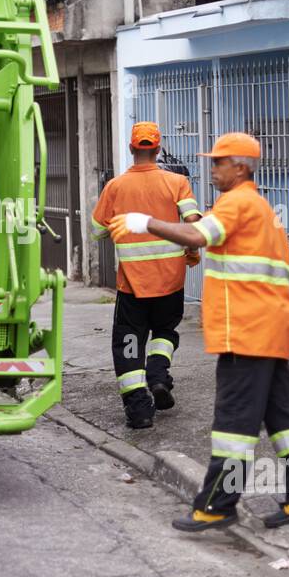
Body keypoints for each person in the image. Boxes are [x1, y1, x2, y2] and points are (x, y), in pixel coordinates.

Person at [108, 131, 289, 531]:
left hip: (247, 334)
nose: (212, 169)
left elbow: (196, 235)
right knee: (284, 421)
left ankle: (216, 505)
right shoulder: (258, 206)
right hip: (268, 332)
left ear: (241, 167)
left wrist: (146, 222)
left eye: (218, 162)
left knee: (233, 423)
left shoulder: (238, 202)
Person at [91, 121, 201, 429]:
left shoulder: (115, 187)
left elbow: (97, 230)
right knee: (165, 333)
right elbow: (193, 222)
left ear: (131, 148)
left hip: (132, 285)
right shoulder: (177, 182)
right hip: (171, 281)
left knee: (128, 340)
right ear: (157, 148)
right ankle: (157, 374)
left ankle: (139, 410)